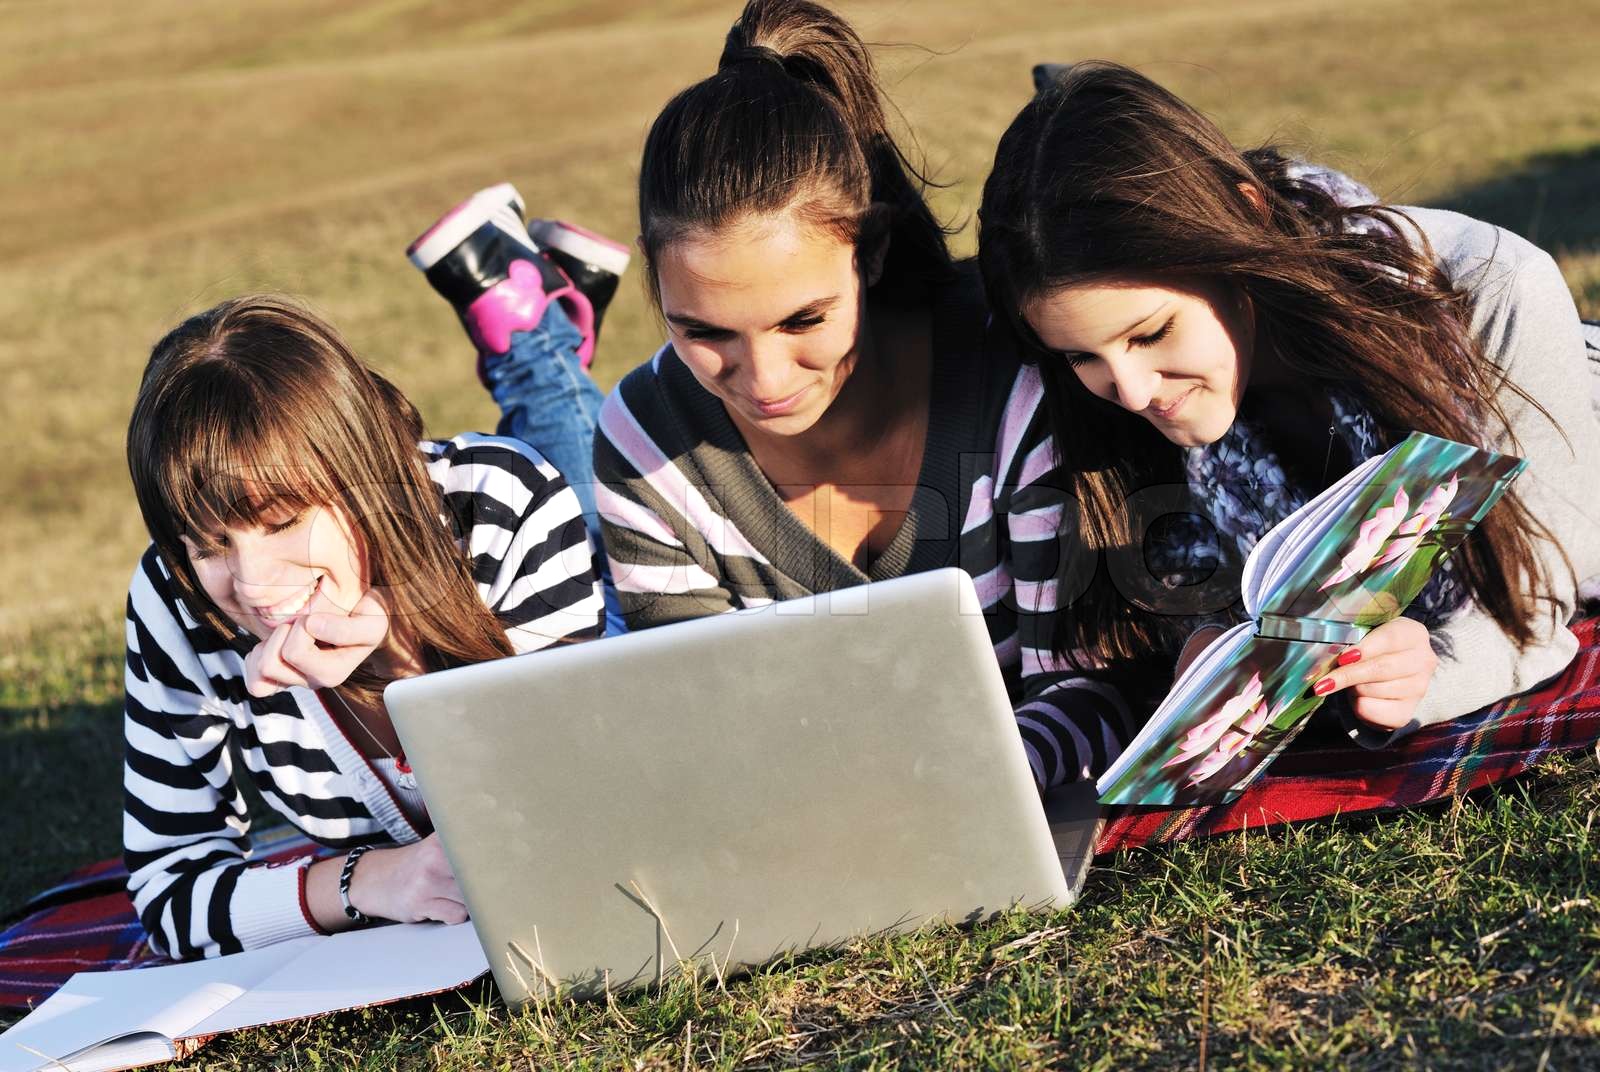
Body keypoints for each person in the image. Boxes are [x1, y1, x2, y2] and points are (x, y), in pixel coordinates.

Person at [579, 0, 1134, 794]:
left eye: (804, 319)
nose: (765, 380)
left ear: (868, 253)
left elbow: (1102, 686)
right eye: (704, 333)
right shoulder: (643, 437)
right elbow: (703, 721)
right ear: (653, 277)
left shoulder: (1014, 376)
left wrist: (967, 779)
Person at [976, 61, 1600, 748]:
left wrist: (1429, 675)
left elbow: (1537, 609)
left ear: (1247, 216)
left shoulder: (1491, 295)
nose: (1130, 390)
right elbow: (1188, 597)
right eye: (1082, 356)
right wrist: (1208, 644)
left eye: (1152, 332)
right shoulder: (1111, 402)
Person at [122, 296, 603, 959]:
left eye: (282, 520)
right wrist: (373, 881)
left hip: (565, 589)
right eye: (210, 546)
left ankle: (534, 335)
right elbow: (168, 893)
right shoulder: (174, 601)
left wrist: (400, 661)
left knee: (587, 476)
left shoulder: (503, 504)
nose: (255, 582)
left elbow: (579, 799)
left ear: (363, 474)